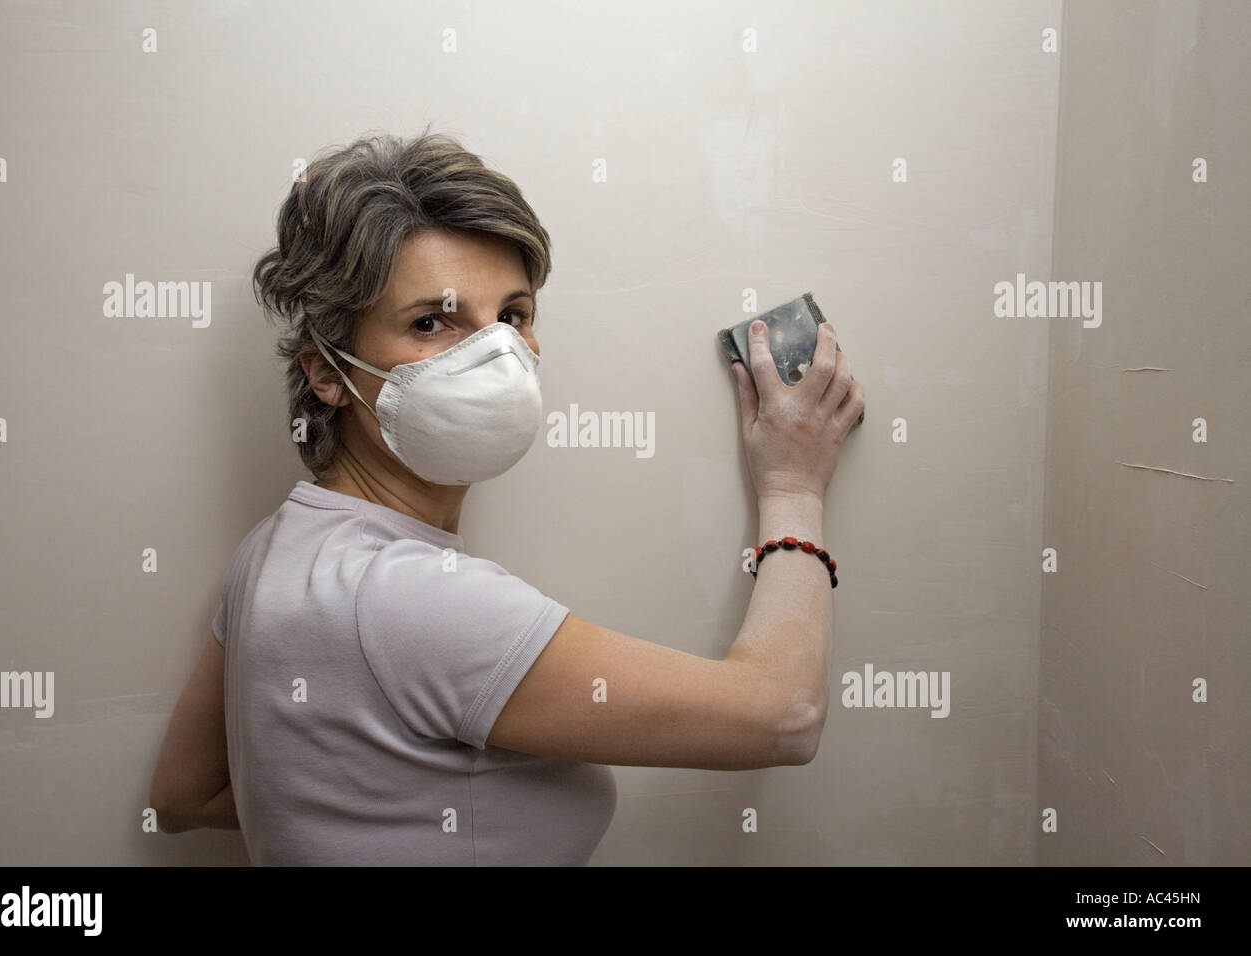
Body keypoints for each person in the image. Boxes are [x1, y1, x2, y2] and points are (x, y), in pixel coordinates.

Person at [149, 128, 865, 865]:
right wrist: (792, 487)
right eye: (432, 322)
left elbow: (182, 796)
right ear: (327, 373)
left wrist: (390, 803)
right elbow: (784, 715)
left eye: (512, 315)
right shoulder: (419, 599)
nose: (493, 355)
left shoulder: (271, 555)